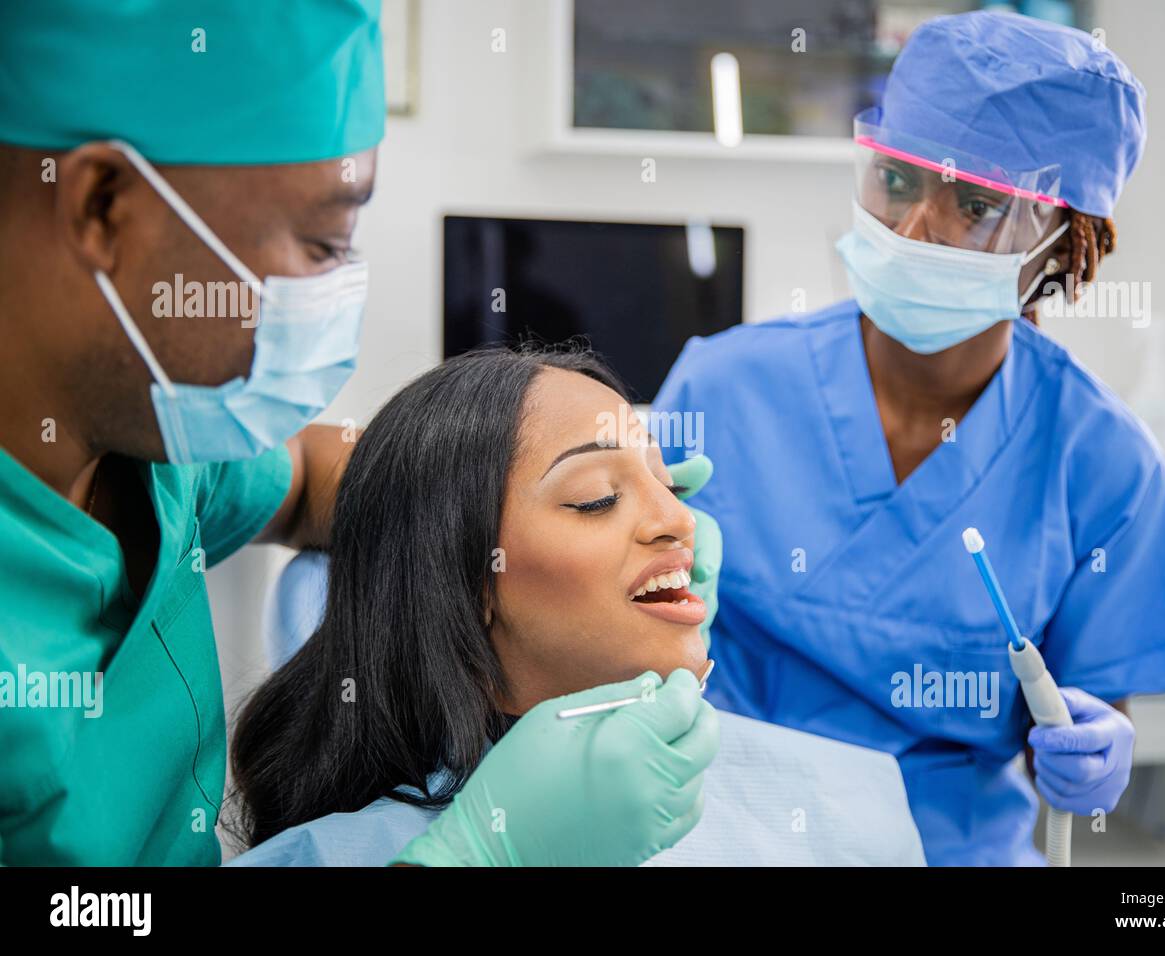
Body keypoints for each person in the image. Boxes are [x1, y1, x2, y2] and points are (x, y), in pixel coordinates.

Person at [0, 0, 718, 866]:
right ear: (104, 206)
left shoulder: (158, 449)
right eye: (321, 241)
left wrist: (579, 510)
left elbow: (306, 478)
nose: (339, 290)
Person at [652, 10, 1165, 865]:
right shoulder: (722, 388)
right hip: (723, 824)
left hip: (949, 847)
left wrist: (1088, 748)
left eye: (977, 205)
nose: (914, 229)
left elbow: (1084, 706)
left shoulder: (1103, 463)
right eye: (898, 182)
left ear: (1064, 243)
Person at [227, 346, 921, 868]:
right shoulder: (340, 852)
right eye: (596, 497)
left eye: (666, 482)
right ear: (469, 582)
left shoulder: (834, 807)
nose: (679, 522)